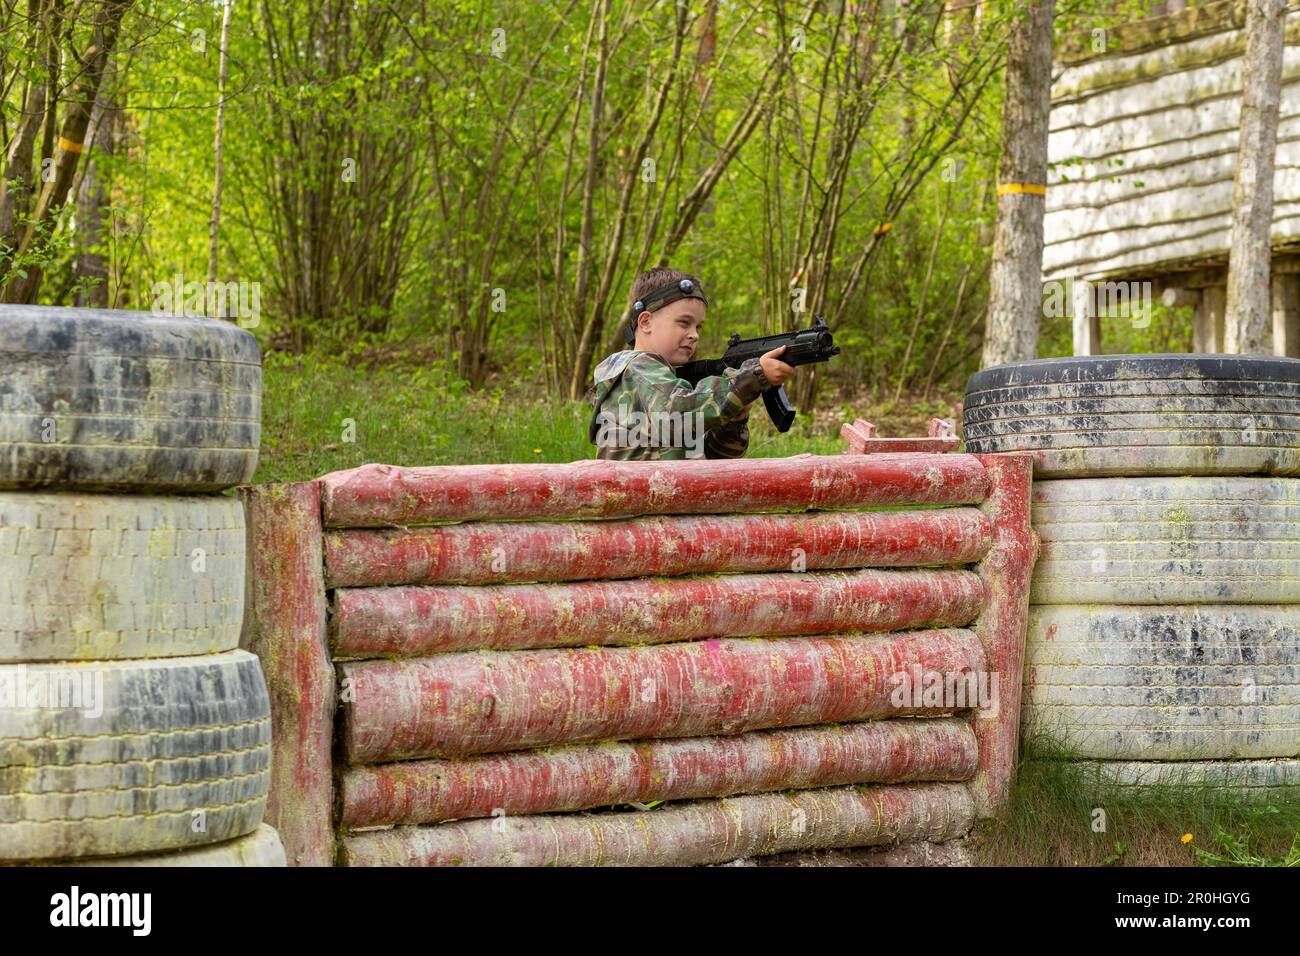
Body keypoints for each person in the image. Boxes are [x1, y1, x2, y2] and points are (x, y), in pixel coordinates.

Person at [586, 267, 796, 460]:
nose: (694, 335)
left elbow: (714, 460)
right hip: (636, 497)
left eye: (699, 327)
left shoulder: (669, 382)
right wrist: (750, 379)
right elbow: (675, 412)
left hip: (671, 495)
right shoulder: (638, 370)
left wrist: (733, 420)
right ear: (645, 322)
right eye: (684, 323)